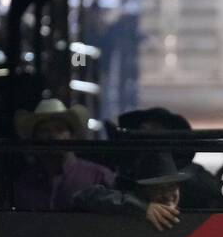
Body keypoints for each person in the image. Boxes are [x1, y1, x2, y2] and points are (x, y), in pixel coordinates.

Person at [11, 98, 177, 230]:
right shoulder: (23, 181)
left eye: (59, 129)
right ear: (35, 138)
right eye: (44, 131)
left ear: (72, 135)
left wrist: (141, 207)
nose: (52, 136)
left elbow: (125, 201)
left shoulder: (99, 175)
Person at [112, 106, 223, 208]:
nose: (148, 140)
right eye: (156, 188)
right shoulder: (125, 177)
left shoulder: (196, 181)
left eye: (171, 186)